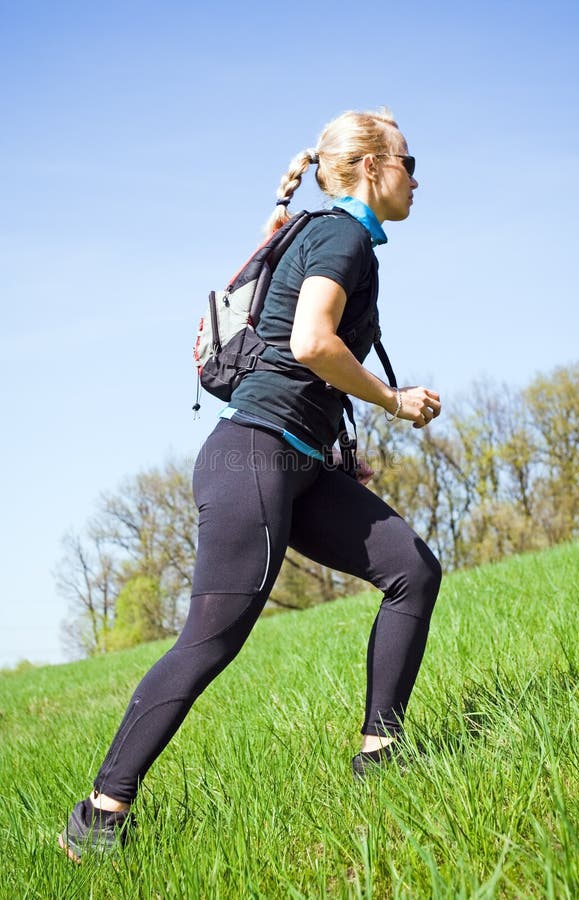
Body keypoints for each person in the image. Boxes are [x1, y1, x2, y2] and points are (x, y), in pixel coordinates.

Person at [59, 107, 442, 861]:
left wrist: (333, 448)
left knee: (412, 570)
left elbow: (293, 365)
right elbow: (309, 343)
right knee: (212, 638)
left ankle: (379, 757)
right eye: (408, 161)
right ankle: (99, 816)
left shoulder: (316, 231)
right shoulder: (342, 235)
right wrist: (394, 401)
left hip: (295, 461)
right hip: (254, 459)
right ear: (371, 167)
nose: (417, 178)